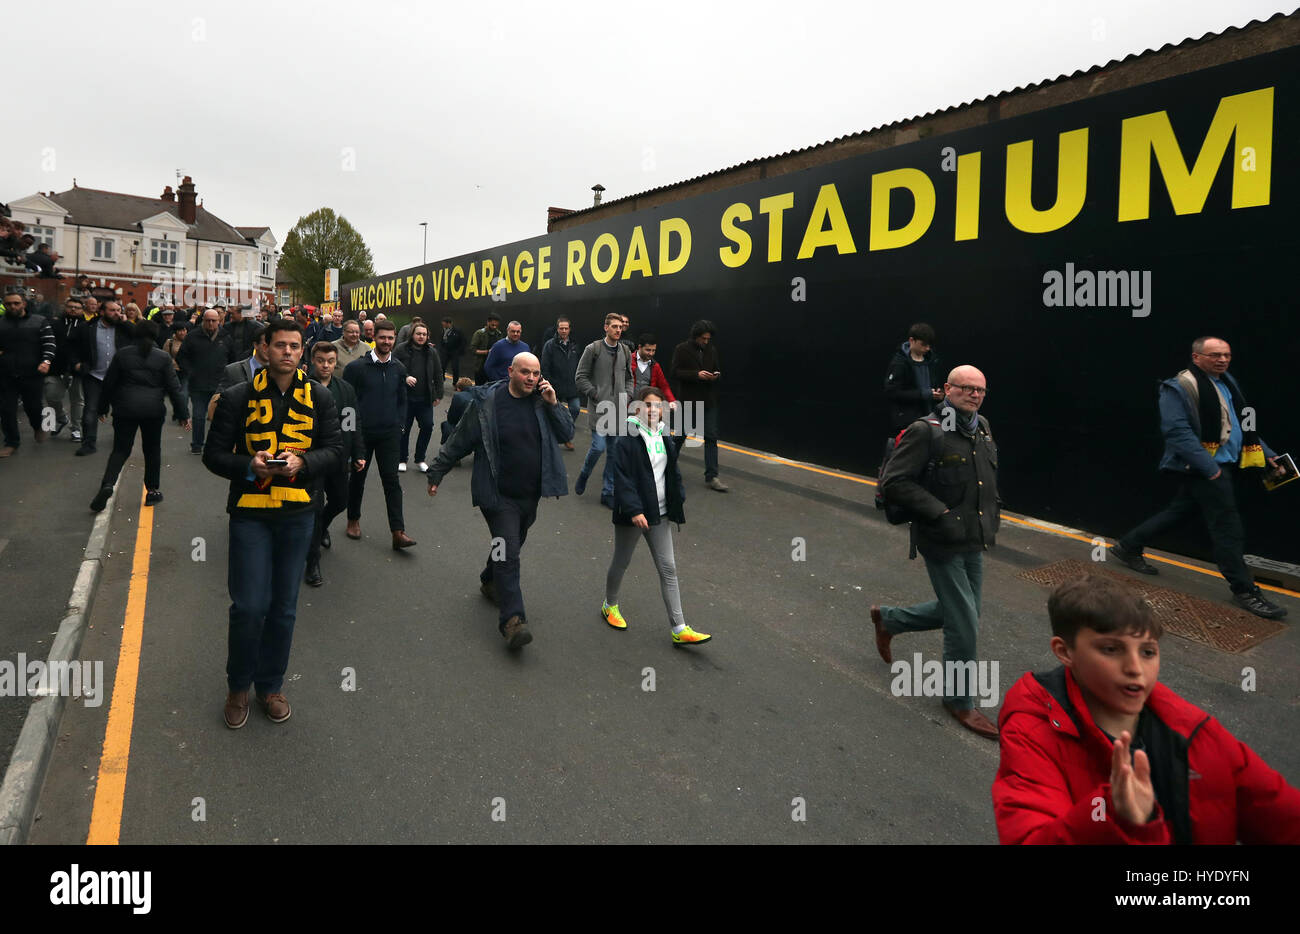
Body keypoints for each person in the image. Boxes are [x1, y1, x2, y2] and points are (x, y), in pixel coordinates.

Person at [993, 574, 1300, 844]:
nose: (1135, 668)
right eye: (1111, 649)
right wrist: (1112, 818)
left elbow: (1282, 816)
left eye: (1148, 651)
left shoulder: (1194, 731)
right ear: (1064, 651)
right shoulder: (1032, 731)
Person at [204, 319, 342, 728]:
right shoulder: (236, 396)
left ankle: (270, 685)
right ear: (264, 348)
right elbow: (213, 456)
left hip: (298, 515)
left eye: (294, 346)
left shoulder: (319, 397)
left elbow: (335, 449)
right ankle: (237, 686)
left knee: (284, 608)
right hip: (250, 513)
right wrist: (250, 464)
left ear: (303, 351)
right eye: (279, 344)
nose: (287, 352)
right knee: (248, 606)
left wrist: (304, 461)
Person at [1111, 337, 1287, 620]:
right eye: (1215, 355)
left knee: (1180, 511)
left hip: (1223, 465)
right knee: (1228, 529)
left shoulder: (1227, 382)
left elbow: (1243, 424)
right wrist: (1210, 468)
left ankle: (1128, 545)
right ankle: (1245, 590)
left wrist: (1266, 453)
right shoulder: (1178, 387)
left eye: (1227, 355)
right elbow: (1177, 432)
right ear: (1196, 357)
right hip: (1205, 468)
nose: (1222, 360)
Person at [871, 365, 1001, 739]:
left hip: (974, 537)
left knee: (964, 611)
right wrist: (939, 514)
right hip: (940, 539)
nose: (973, 395)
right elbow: (895, 482)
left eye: (980, 390)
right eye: (966, 388)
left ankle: (890, 619)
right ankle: (959, 700)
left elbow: (984, 477)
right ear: (947, 389)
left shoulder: (983, 426)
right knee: (964, 622)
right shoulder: (926, 431)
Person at [427, 353, 573, 649]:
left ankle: (489, 580)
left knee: (512, 544)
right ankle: (512, 621)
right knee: (508, 551)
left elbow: (567, 433)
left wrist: (554, 404)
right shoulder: (486, 403)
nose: (531, 378)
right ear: (511, 372)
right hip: (497, 493)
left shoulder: (542, 401)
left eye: (536, 373)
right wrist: (437, 471)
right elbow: (460, 439)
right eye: (525, 373)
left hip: (530, 494)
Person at [603, 387, 712, 646]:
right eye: (648, 405)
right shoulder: (626, 437)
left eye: (657, 406)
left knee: (669, 569)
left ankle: (679, 627)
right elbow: (623, 478)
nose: (653, 410)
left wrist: (679, 496)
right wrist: (634, 510)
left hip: (660, 513)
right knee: (622, 561)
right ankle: (610, 604)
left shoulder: (663, 433)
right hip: (635, 514)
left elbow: (672, 470)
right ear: (637, 408)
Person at [89, 321, 191, 512]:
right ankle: (152, 491)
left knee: (120, 449)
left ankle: (107, 485)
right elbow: (174, 388)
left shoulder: (122, 355)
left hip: (125, 408)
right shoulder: (163, 357)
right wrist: (183, 413)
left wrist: (102, 408)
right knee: (152, 449)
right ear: (155, 335)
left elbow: (109, 384)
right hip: (153, 409)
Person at [343, 319, 415, 549]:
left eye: (390, 338)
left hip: (389, 434)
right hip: (361, 434)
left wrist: (400, 426)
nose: (386, 341)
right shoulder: (356, 368)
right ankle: (353, 520)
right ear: (374, 337)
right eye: (382, 337)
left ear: (395, 339)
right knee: (358, 478)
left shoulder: (399, 368)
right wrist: (349, 434)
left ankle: (398, 531)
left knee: (392, 481)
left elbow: (403, 401)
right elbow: (347, 403)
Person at [303, 341, 365, 587]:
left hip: (339, 457)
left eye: (330, 361)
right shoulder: (303, 387)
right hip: (312, 459)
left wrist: (358, 452)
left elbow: (353, 422)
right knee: (315, 509)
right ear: (312, 361)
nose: (326, 366)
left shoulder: (345, 389)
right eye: (321, 361)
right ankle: (312, 562)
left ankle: (324, 527)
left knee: (340, 501)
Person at [574, 313, 632, 507]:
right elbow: (580, 377)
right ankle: (584, 474)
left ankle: (608, 492)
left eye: (620, 327)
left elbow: (629, 378)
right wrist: (595, 394)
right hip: (600, 408)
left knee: (614, 453)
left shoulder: (625, 350)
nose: (618, 330)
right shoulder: (593, 349)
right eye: (614, 326)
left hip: (619, 410)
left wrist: (628, 395)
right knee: (598, 447)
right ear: (606, 327)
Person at [670, 319, 728, 491]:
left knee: (711, 437)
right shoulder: (681, 349)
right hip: (688, 400)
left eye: (708, 338)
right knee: (679, 437)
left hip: (709, 401)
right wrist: (696, 375)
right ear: (695, 336)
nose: (706, 341)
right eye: (703, 338)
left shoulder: (712, 350)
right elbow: (674, 372)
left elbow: (717, 369)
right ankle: (665, 468)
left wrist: (716, 375)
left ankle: (712, 477)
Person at [73, 299, 134, 456]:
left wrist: (126, 322)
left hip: (118, 378)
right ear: (102, 312)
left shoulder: (123, 328)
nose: (116, 313)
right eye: (112, 310)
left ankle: (121, 443)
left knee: (121, 412)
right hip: (94, 376)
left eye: (118, 310)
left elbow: (139, 337)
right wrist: (76, 363)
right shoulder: (87, 328)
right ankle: (88, 444)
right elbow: (71, 346)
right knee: (90, 411)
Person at [0, 288, 56, 457]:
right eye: (8, 304)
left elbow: (50, 343)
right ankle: (11, 443)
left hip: (32, 373)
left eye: (16, 303)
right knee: (6, 410)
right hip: (6, 374)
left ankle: (38, 426)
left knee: (33, 406)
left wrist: (46, 361)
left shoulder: (39, 321)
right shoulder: (1, 323)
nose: (12, 307)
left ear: (23, 303)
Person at [177, 308, 231, 454]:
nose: (211, 323)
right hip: (198, 383)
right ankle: (197, 444)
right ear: (203, 321)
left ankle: (217, 445)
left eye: (214, 320)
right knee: (198, 416)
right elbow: (182, 357)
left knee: (219, 417)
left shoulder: (226, 337)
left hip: (219, 384)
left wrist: (228, 375)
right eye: (208, 320)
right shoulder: (193, 336)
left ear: (219, 321)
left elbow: (233, 358)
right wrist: (190, 372)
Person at [393, 323, 444, 473]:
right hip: (405, 398)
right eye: (418, 334)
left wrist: (439, 394)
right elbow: (392, 367)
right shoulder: (401, 349)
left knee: (428, 426)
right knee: (404, 429)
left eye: (424, 334)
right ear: (412, 335)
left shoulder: (431, 351)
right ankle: (402, 459)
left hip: (425, 398)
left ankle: (420, 459)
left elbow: (438, 373)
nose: (421, 337)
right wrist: (405, 377)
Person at [884, 323, 943, 434]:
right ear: (912, 340)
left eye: (929, 345)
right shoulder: (899, 363)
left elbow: (934, 385)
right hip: (907, 422)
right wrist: (923, 394)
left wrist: (937, 393)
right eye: (923, 344)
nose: (927, 348)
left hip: (931, 418)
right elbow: (892, 392)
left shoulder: (932, 360)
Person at [45, 297, 87, 438]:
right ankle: (62, 417)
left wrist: (84, 364)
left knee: (77, 400)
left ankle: (76, 428)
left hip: (77, 368)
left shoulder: (86, 327)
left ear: (82, 310)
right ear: (65, 307)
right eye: (70, 306)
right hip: (56, 367)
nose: (73, 309)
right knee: (51, 396)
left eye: (77, 307)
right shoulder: (54, 324)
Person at [540, 316, 581, 450]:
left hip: (571, 385)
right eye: (561, 328)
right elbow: (544, 367)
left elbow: (580, 364)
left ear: (569, 329)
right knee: (552, 412)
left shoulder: (575, 344)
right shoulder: (549, 345)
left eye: (566, 328)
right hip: (555, 386)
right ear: (557, 329)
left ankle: (566, 434)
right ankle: (555, 436)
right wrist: (550, 383)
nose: (563, 331)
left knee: (575, 408)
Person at [162, 321, 190, 422]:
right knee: (174, 394)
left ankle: (184, 415)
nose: (183, 333)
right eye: (180, 331)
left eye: (184, 330)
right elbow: (165, 356)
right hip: (173, 371)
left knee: (184, 393)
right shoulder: (169, 342)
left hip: (185, 371)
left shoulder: (190, 341)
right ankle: (178, 411)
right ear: (175, 332)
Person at [441, 377, 475, 450]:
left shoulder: (458, 397)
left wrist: (449, 412)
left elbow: (451, 419)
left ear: (459, 389)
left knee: (446, 425)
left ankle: (448, 450)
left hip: (464, 430)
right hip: (477, 430)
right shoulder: (478, 395)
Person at [469, 314, 504, 384]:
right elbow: (472, 349)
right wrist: (488, 352)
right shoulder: (479, 333)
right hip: (481, 366)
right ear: (488, 322)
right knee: (479, 388)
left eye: (496, 325)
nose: (494, 327)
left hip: (493, 367)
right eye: (492, 325)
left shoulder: (499, 334)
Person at [438, 316, 465, 383]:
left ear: (449, 323)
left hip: (454, 351)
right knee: (442, 366)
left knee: (455, 367)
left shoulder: (457, 331)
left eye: (444, 324)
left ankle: (455, 382)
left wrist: (459, 351)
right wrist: (441, 349)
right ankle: (442, 379)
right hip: (445, 351)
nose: (443, 325)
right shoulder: (443, 330)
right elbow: (441, 340)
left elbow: (463, 341)